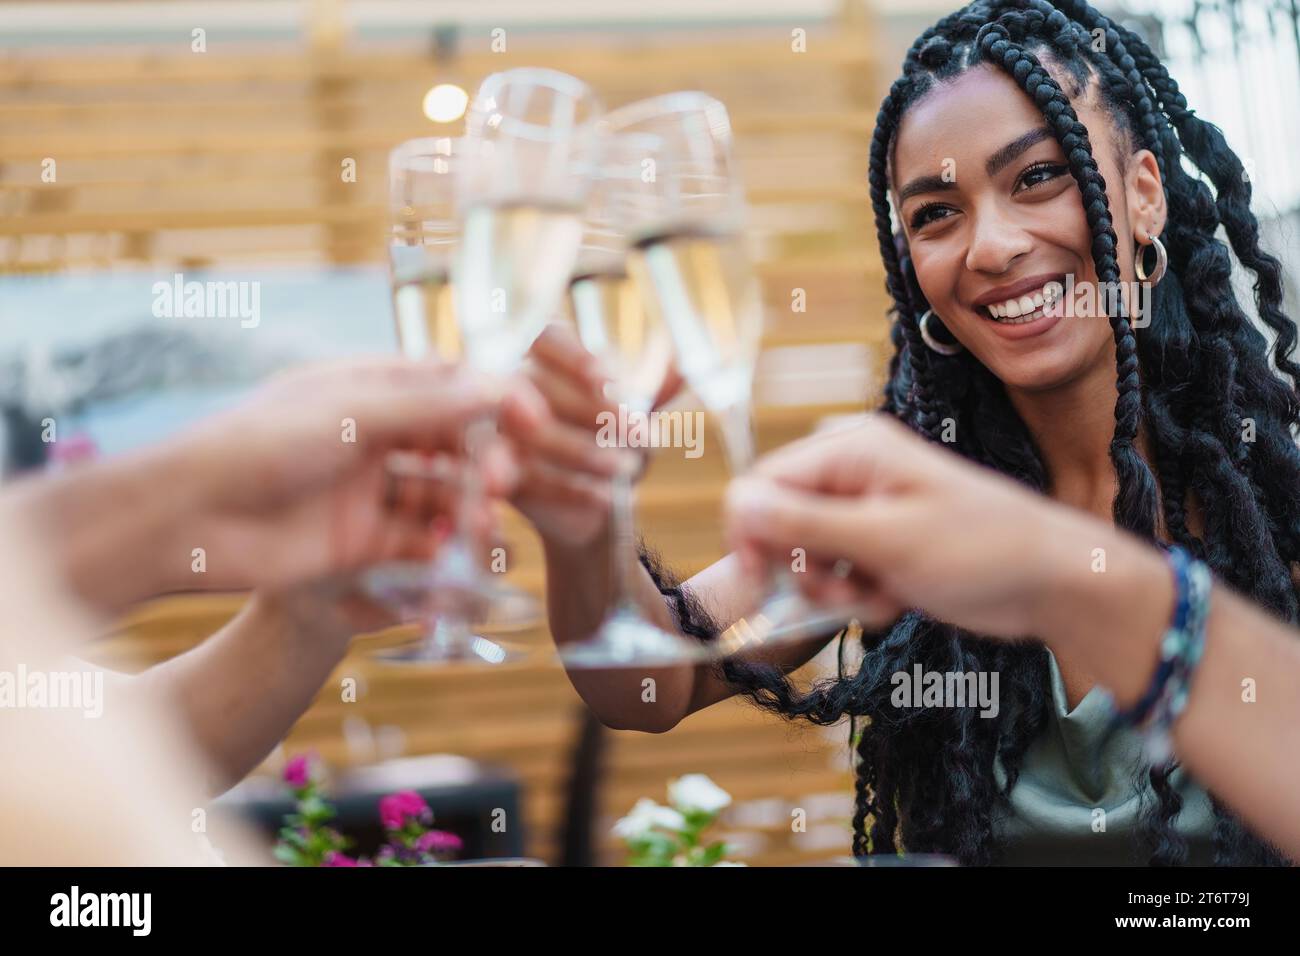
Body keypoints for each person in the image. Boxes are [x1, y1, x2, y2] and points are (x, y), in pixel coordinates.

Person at [524, 0, 1300, 864]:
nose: (992, 247)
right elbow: (647, 684)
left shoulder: (1277, 503)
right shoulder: (911, 503)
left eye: (1038, 176)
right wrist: (588, 509)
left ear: (1145, 194)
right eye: (936, 214)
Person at [726, 413, 1300, 862]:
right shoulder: (895, 482)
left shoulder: (1276, 480)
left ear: (1147, 254)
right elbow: (661, 677)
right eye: (931, 248)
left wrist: (1049, 569)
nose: (994, 254)